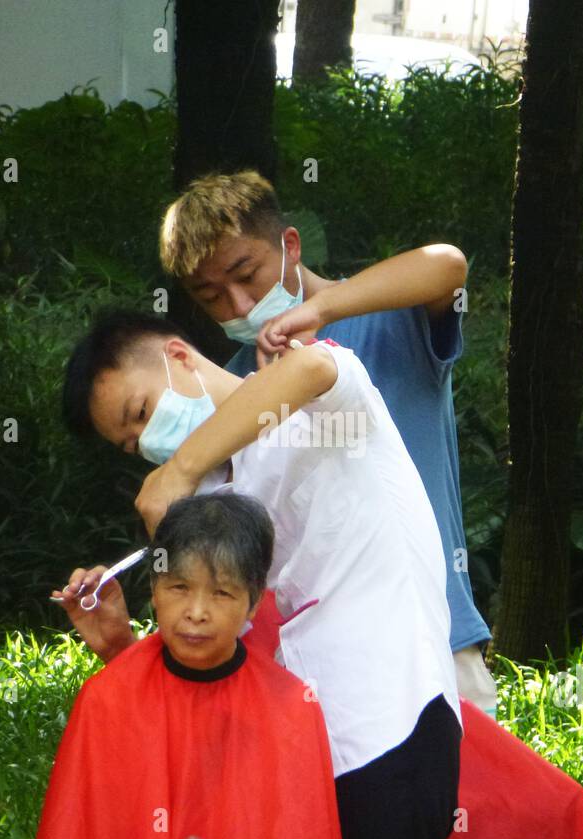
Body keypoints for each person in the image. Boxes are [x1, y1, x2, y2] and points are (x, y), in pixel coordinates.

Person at [61, 311, 463, 839]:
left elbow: (319, 366)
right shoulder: (208, 504)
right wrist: (120, 648)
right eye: (132, 446)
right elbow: (213, 669)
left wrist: (181, 466)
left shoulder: (315, 409)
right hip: (287, 763)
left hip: (387, 726)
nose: (148, 443)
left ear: (179, 355)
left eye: (143, 413)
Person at [158, 171, 500, 717]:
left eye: (247, 274)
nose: (240, 305)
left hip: (438, 637)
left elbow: (448, 265)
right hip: (316, 661)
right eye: (212, 296)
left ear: (290, 246)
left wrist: (322, 309)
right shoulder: (235, 389)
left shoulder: (388, 323)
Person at [30, 493, 344, 839]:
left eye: (222, 593)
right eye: (179, 588)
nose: (196, 613)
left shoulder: (291, 708)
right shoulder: (107, 698)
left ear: (255, 601)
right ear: (154, 588)